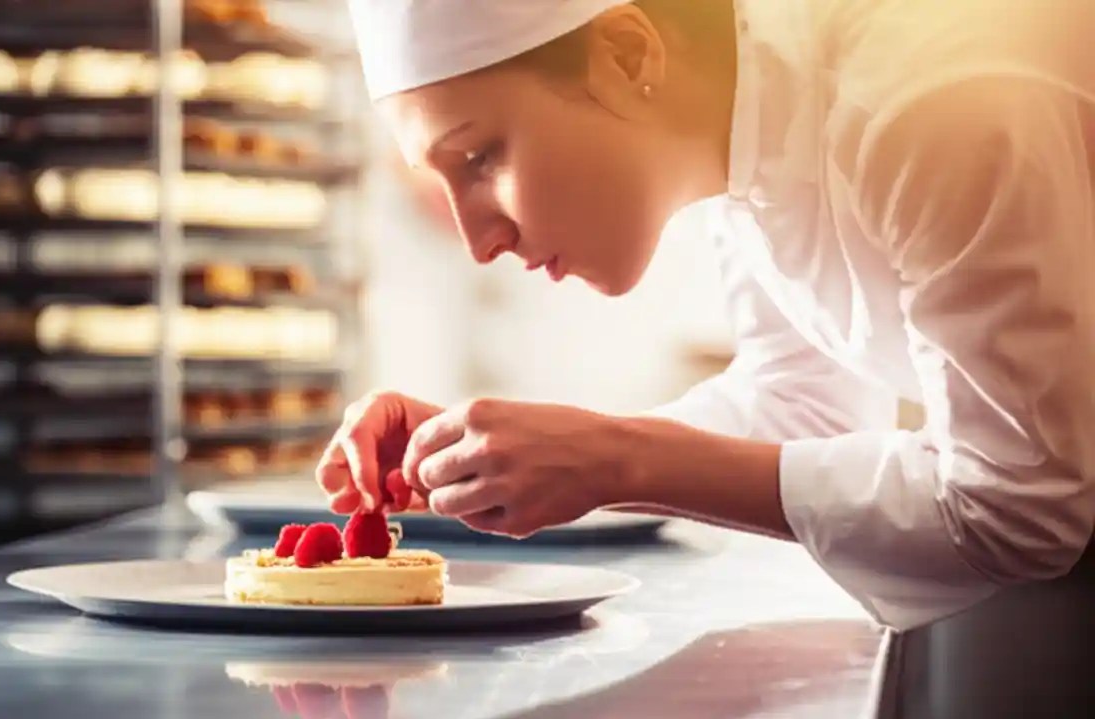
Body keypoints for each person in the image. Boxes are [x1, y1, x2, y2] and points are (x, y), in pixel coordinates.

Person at [317, 0, 1095, 633]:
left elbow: (1019, 506)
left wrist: (617, 457)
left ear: (627, 55)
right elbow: (802, 408)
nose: (477, 241)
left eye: (481, 157)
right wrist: (532, 454)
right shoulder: (752, 126)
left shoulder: (932, 99)